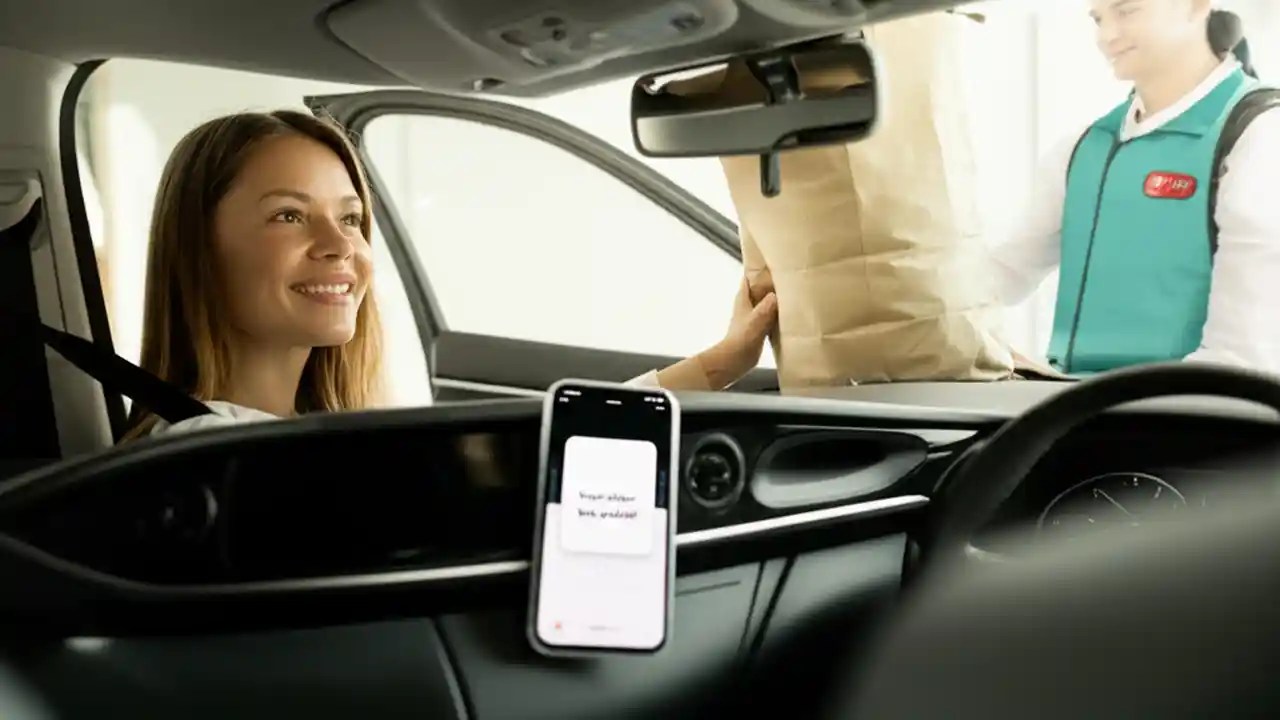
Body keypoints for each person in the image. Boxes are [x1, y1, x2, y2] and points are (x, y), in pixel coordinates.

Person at [125, 110, 777, 438]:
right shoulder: (206, 454)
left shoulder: (292, 435)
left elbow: (528, 447)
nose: (340, 246)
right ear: (199, 247)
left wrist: (721, 363)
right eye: (289, 216)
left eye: (350, 219)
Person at [992, 1, 1280, 376]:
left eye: (1126, 11)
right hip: (1081, 404)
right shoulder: (1083, 147)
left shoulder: (1259, 135)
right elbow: (1001, 272)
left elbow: (1242, 360)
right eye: (1098, 19)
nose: (1106, 35)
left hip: (1199, 408)